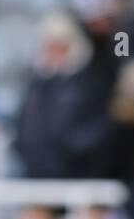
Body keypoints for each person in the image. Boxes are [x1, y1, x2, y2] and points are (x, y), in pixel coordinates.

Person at [13, 11, 116, 179]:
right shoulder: (36, 83)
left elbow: (101, 126)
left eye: (58, 46)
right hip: (36, 173)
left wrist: (71, 149)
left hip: (78, 173)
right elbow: (22, 123)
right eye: (48, 46)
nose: (51, 53)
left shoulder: (91, 81)